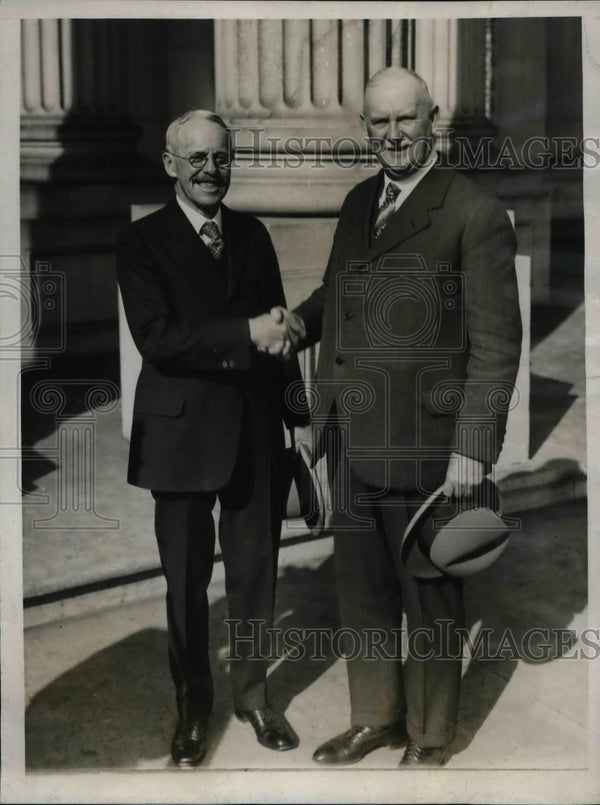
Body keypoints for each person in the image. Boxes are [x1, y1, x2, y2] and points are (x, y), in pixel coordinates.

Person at [281, 66, 522, 766]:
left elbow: (498, 346)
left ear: (432, 119)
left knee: (433, 598)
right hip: (350, 436)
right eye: (378, 121)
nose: (391, 134)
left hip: (429, 445)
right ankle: (376, 717)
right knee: (363, 593)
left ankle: (430, 736)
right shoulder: (360, 201)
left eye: (405, 119)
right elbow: (336, 293)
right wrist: (297, 324)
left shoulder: (473, 212)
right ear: (366, 127)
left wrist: (472, 448)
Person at [117, 110, 308, 768]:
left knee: (255, 576)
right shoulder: (142, 242)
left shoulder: (253, 234)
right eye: (195, 158)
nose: (210, 169)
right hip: (181, 439)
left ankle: (253, 695)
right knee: (185, 583)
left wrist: (300, 422)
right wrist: (244, 334)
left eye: (221, 157)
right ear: (170, 164)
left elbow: (281, 337)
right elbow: (158, 339)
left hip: (256, 433)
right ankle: (193, 706)